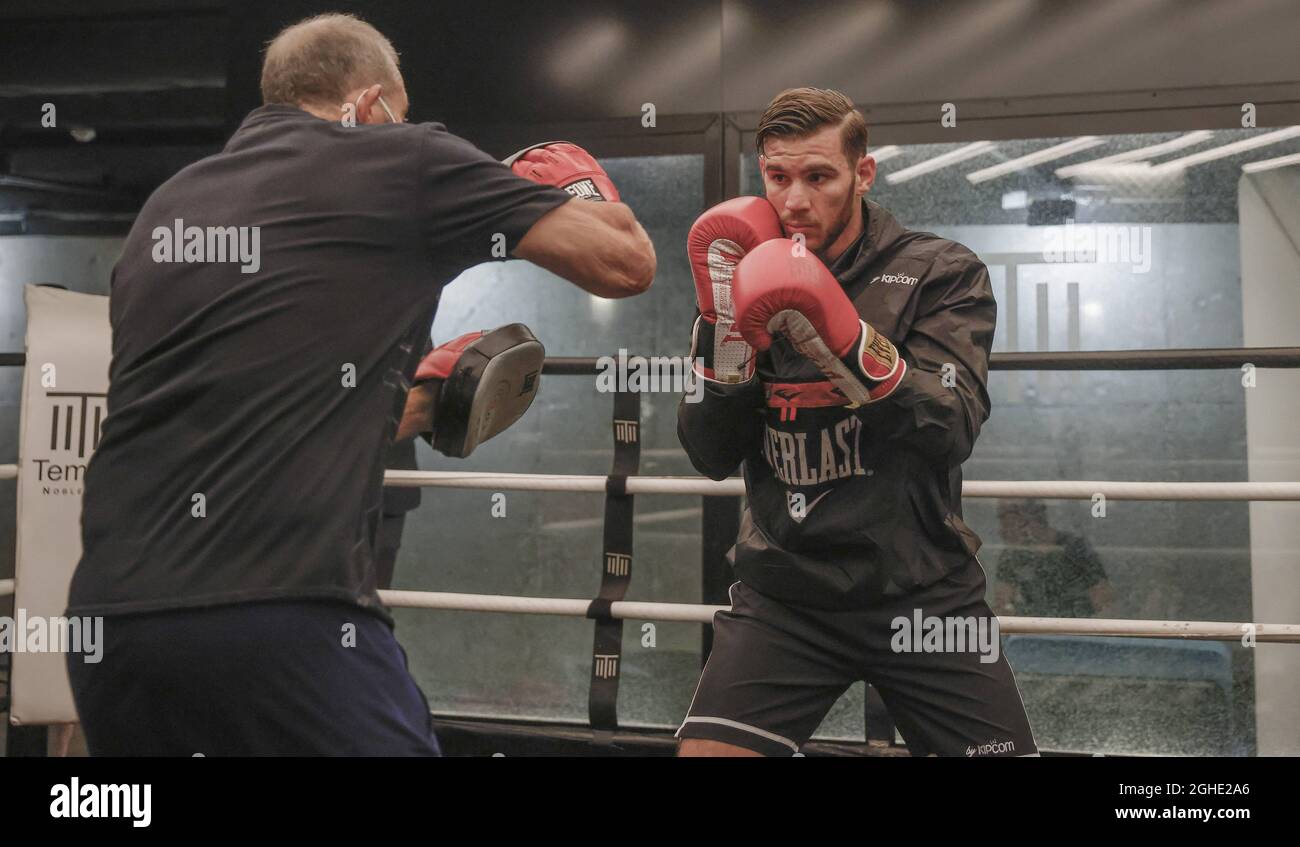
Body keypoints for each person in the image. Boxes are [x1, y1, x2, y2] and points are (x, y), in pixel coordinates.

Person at [64, 12, 654, 756]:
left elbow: (242, 421)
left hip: (111, 629)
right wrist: (573, 193)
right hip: (280, 615)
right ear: (371, 106)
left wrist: (426, 402)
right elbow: (626, 263)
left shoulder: (167, 210)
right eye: (397, 116)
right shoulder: (404, 158)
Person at [676, 87, 1036, 757]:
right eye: (778, 177)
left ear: (862, 174)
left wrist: (848, 341)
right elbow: (709, 454)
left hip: (921, 593)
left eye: (819, 177)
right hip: (787, 596)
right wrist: (727, 336)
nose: (794, 200)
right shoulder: (741, 273)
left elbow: (952, 426)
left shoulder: (941, 272)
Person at [993, 499, 1113, 618]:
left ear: (1027, 521)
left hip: (1077, 630)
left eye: (1008, 523)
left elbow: (1104, 603)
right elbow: (1002, 604)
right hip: (1030, 632)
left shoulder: (1075, 548)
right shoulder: (1012, 555)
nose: (1002, 532)